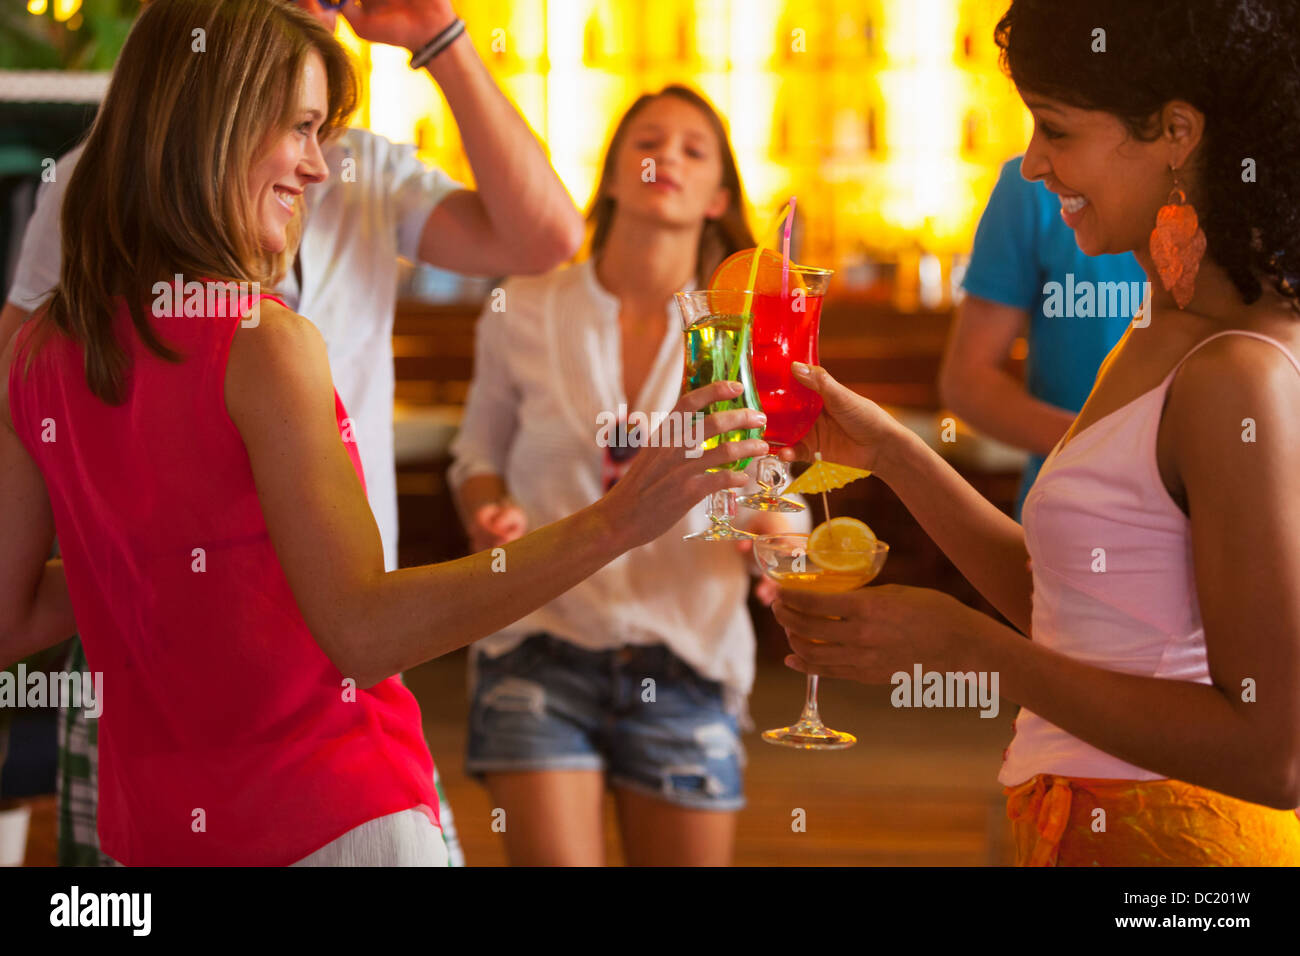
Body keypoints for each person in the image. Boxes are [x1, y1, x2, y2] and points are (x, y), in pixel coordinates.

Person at [0, 0, 766, 866]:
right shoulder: (264, 341)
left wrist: (190, 560)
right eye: (299, 127)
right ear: (215, 122)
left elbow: (12, 610)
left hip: (154, 830)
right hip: (332, 814)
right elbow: (364, 634)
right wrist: (620, 520)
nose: (320, 167)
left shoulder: (37, 351)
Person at [768, 0, 1300, 866]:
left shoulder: (1234, 373)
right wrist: (893, 454)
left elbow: (1273, 752)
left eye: (1054, 129)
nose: (1030, 162)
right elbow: (1078, 615)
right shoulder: (1157, 328)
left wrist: (969, 648)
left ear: (1175, 131)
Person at [448, 85, 802, 866]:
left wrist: (781, 541)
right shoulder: (526, 306)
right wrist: (490, 512)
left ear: (718, 198)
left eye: (693, 148)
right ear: (611, 177)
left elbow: (776, 489)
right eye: (647, 141)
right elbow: (475, 459)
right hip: (537, 643)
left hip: (689, 655)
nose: (666, 156)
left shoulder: (753, 326)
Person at [939, 156, 1145, 519]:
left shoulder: (1231, 191)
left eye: (1055, 127)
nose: (1032, 161)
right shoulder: (1030, 191)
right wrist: (1103, 449)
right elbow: (965, 379)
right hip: (1066, 509)